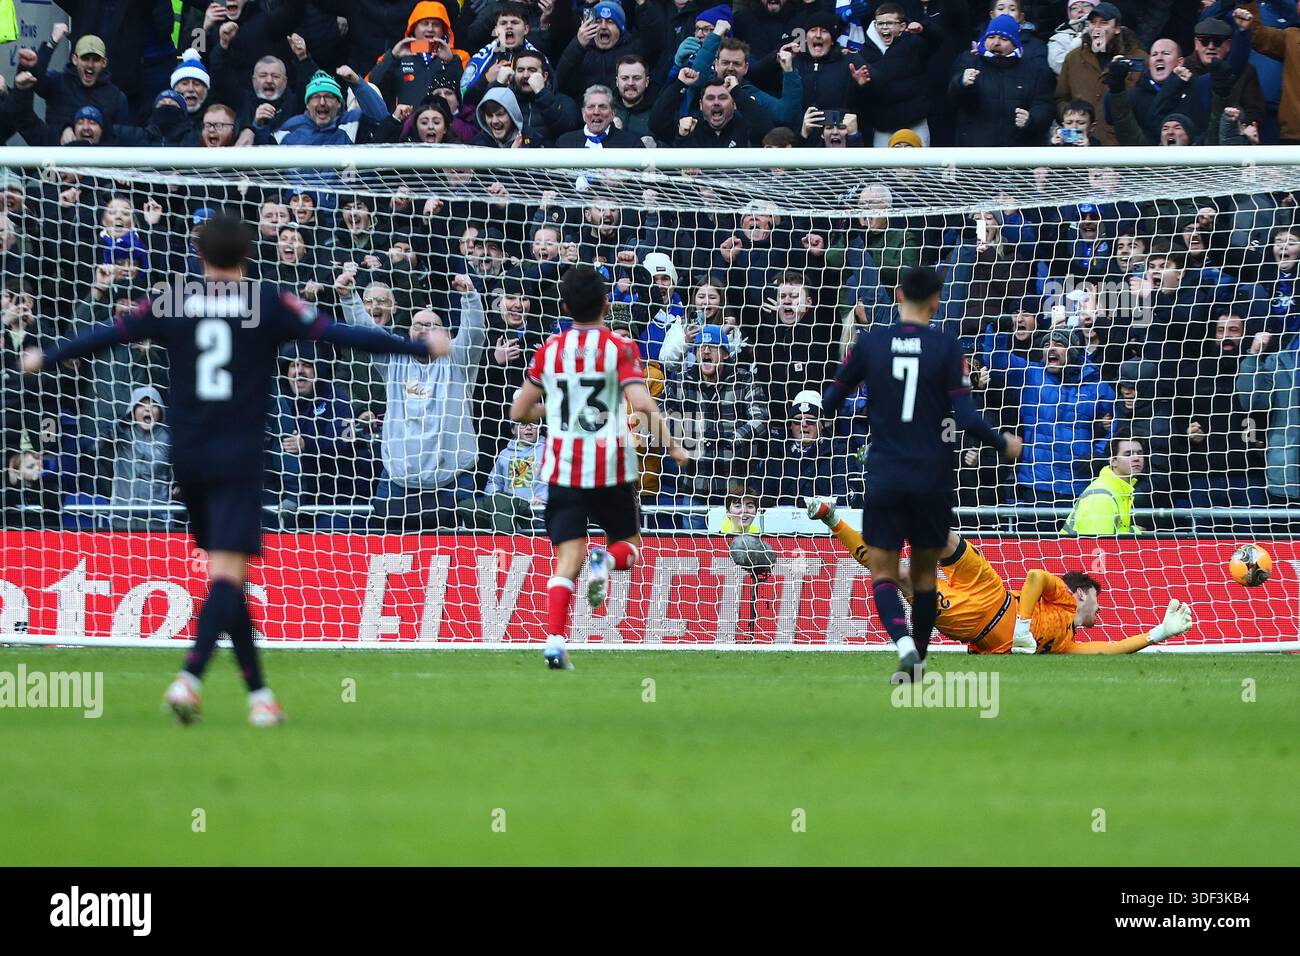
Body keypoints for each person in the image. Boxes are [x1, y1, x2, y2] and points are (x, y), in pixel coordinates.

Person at [22, 213, 447, 727]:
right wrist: (417, 346)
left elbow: (105, 335)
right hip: (240, 454)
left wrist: (47, 356)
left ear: (200, 255)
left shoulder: (171, 299)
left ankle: (259, 697)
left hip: (188, 456)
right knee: (227, 575)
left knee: (230, 577)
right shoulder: (267, 301)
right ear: (248, 254)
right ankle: (190, 678)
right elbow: (343, 334)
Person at [817, 266, 1023, 681]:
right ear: (936, 300)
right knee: (926, 575)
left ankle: (904, 644)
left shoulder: (872, 343)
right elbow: (965, 417)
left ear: (896, 295)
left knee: (885, 574)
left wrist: (864, 372)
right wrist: (1002, 443)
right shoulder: (947, 347)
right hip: (932, 476)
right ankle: (920, 659)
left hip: (886, 472)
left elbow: (830, 401)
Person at [509, 265, 689, 670]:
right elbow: (642, 405)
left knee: (565, 560)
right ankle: (604, 561)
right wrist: (674, 447)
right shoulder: (620, 348)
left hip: (562, 469)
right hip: (611, 467)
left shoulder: (549, 350)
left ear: (564, 306)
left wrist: (556, 407)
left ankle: (555, 641)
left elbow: (520, 411)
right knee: (629, 547)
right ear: (607, 304)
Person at [802, 516, 1193, 654]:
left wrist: (1158, 633)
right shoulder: (1062, 601)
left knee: (899, 576)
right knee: (942, 538)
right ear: (1080, 593)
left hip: (974, 621)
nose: (1099, 610)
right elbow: (1036, 577)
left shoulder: (1066, 643)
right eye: (1096, 599)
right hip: (995, 592)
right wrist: (1023, 625)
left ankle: (833, 519)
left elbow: (1110, 650)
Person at [1061, 435, 1145, 534]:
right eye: (1128, 454)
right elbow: (1097, 545)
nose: (1136, 458)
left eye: (1139, 453)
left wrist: (1132, 531)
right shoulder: (1102, 496)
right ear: (1113, 461)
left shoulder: (1121, 489)